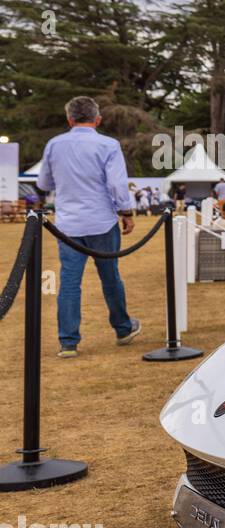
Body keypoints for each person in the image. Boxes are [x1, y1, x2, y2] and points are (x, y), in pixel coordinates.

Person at [37, 96, 142, 358]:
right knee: (110, 277)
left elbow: (44, 184)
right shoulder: (108, 144)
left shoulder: (54, 144)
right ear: (98, 119)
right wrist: (126, 212)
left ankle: (68, 342)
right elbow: (117, 185)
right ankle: (123, 329)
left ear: (69, 119)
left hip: (68, 225)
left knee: (70, 283)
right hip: (102, 221)